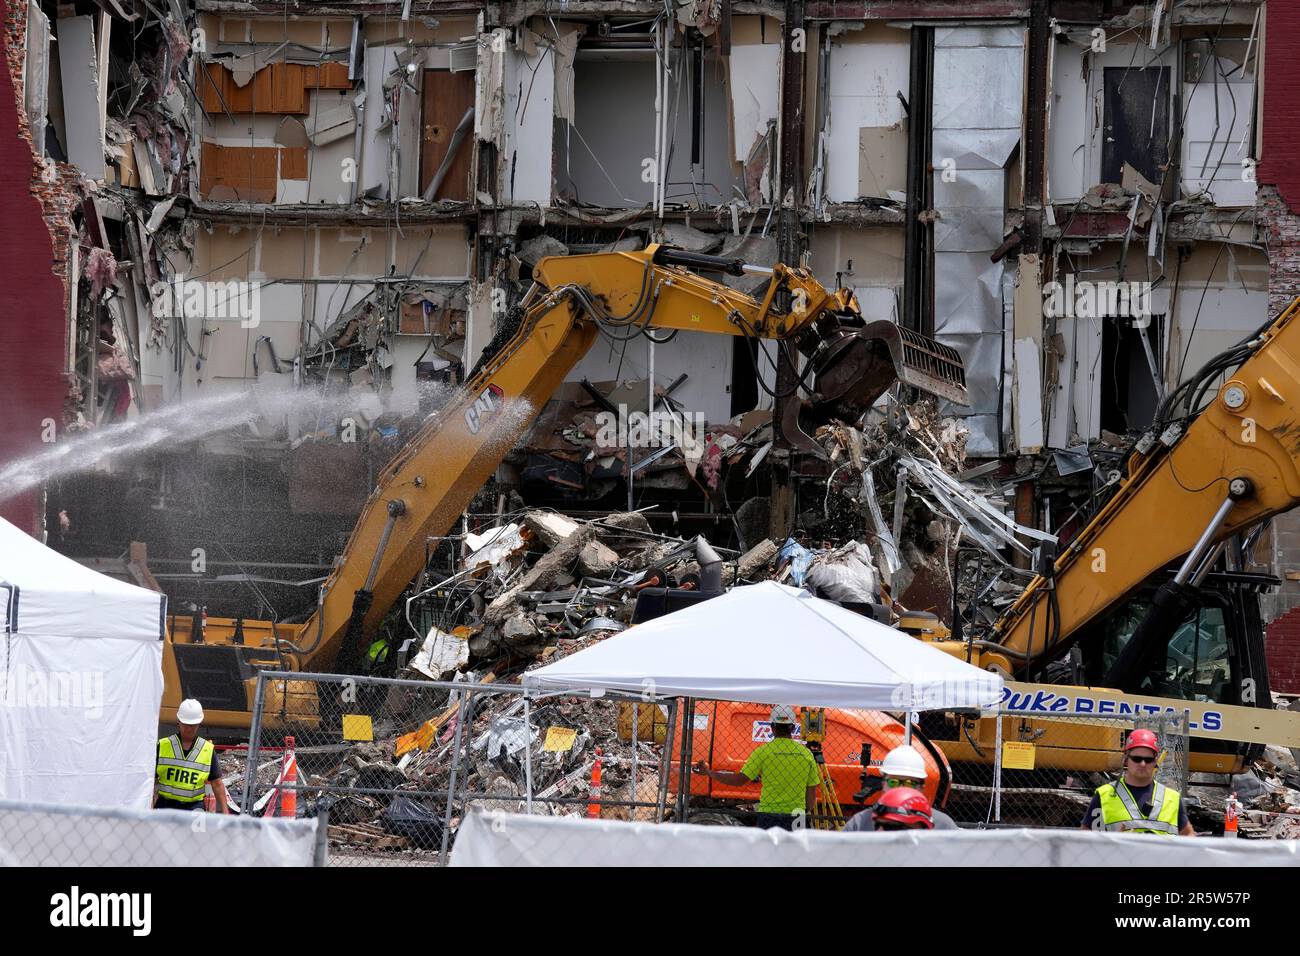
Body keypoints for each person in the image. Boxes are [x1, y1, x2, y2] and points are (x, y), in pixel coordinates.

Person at [692, 704, 821, 830]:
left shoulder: (763, 752)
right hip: (796, 814)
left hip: (769, 814)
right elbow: (811, 795)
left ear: (772, 727)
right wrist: (804, 811)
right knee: (793, 851)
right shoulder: (806, 754)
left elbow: (739, 780)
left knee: (767, 851)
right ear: (793, 728)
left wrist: (709, 773)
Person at [1080, 729, 1193, 835]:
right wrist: (1112, 842)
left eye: (1148, 760)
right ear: (1126, 760)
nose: (1143, 764)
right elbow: (1087, 840)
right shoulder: (1104, 795)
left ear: (1155, 762)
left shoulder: (1172, 798)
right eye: (1137, 759)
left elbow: (1189, 837)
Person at [843, 743, 958, 831]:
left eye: (909, 783)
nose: (901, 789)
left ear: (922, 787)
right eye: (894, 782)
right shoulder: (859, 824)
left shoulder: (943, 826)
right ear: (883, 784)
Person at [154, 698, 230, 813]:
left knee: (198, 831)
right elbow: (150, 780)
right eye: (186, 724)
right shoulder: (163, 745)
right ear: (178, 722)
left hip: (195, 807)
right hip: (166, 804)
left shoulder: (207, 749)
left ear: (199, 724)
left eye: (193, 725)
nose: (189, 729)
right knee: (159, 831)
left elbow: (217, 783)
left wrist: (226, 814)